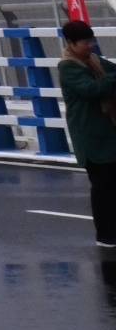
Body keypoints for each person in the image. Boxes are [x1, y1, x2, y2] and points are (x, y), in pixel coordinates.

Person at [56, 17, 116, 257]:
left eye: (91, 41)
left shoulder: (94, 60)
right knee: (102, 186)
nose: (90, 46)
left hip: (108, 132)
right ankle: (106, 235)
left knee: (112, 184)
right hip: (89, 134)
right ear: (71, 43)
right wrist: (110, 79)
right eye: (85, 42)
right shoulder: (68, 67)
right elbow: (92, 89)